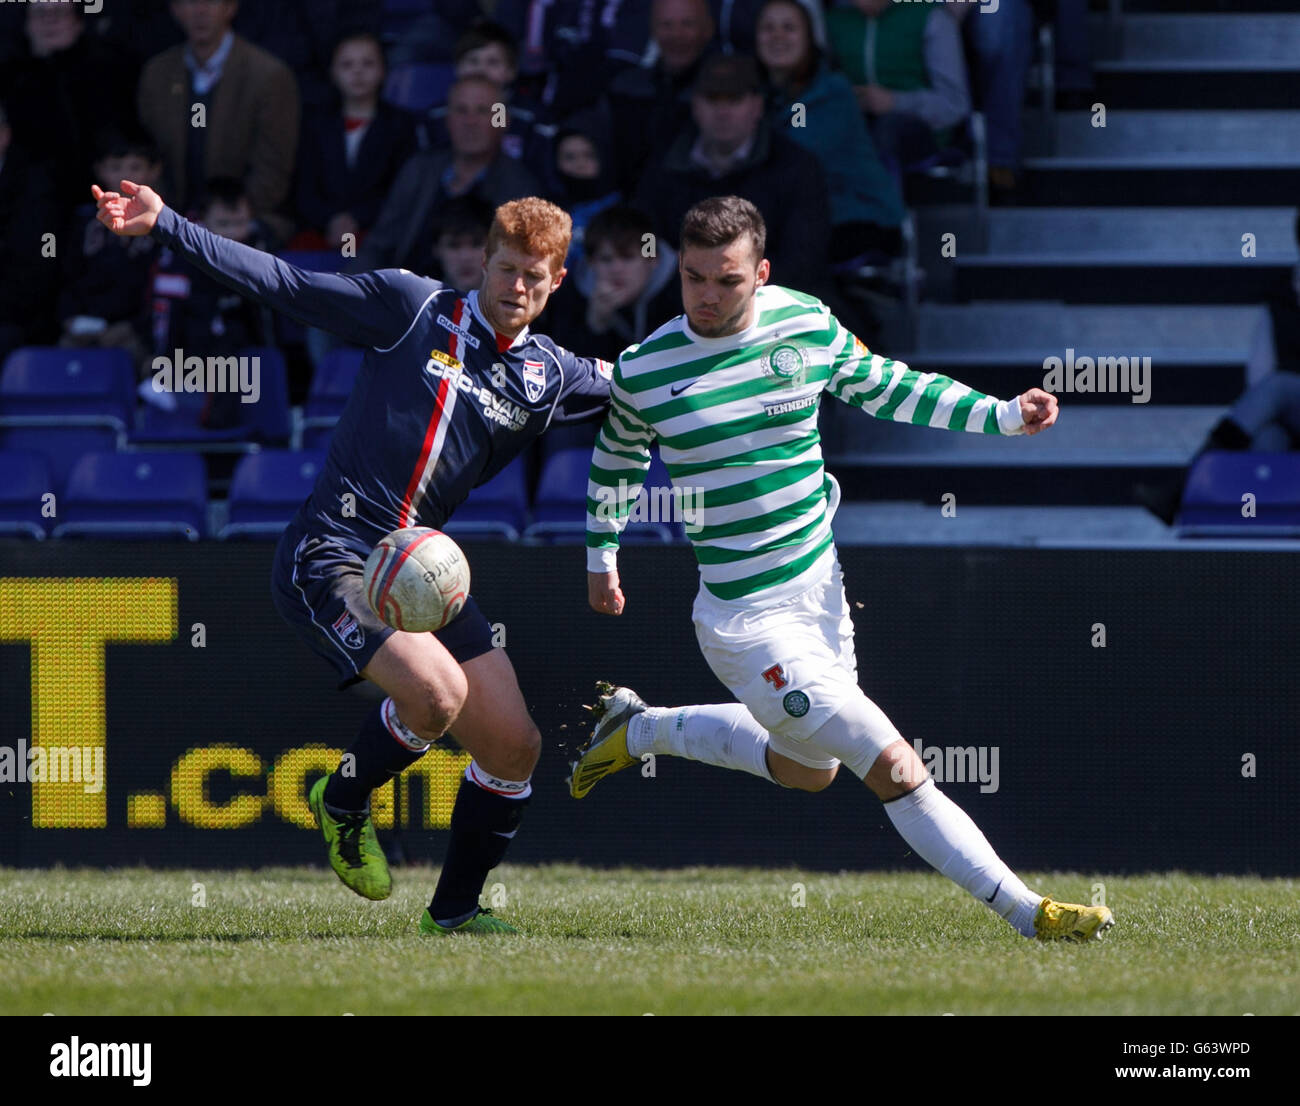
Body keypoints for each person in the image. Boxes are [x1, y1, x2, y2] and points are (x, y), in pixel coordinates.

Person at [571, 195, 1114, 943]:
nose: (704, 295)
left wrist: (1001, 415)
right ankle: (1030, 913)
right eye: (693, 277)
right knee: (891, 764)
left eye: (725, 280)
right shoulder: (646, 366)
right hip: (745, 622)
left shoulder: (805, 324)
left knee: (809, 771)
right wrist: (602, 552)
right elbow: (618, 458)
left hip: (820, 593)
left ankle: (642, 729)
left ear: (760, 274)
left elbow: (891, 386)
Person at [94, 178, 613, 935]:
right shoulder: (412, 308)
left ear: (557, 280)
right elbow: (279, 279)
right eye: (505, 268)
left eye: (535, 276)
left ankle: (456, 914)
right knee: (435, 697)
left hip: (420, 570)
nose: (517, 286)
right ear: (481, 263)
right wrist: (168, 222)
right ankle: (341, 799)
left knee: (514, 745)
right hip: (331, 552)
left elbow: (648, 391)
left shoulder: (550, 375)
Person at [634, 54, 832, 301]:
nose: (723, 111)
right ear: (695, 105)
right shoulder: (664, 164)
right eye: (712, 99)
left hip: (770, 312)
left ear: (757, 106)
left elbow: (804, 260)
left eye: (734, 99)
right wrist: (651, 259)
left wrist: (730, 288)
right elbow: (644, 233)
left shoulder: (797, 167)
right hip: (676, 305)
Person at [754, 0, 904, 260]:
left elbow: (797, 159)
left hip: (858, 217)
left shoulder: (835, 92)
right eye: (768, 28)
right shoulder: (754, 93)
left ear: (810, 39)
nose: (777, 35)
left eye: (789, 28)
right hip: (794, 218)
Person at [136, 0, 300, 236]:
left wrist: (228, 217)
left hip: (242, 228)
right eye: (190, 2)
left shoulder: (269, 76)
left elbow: (273, 169)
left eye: (210, 2)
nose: (200, 10)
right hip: (168, 224)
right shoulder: (157, 73)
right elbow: (149, 156)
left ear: (230, 8)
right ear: (175, 9)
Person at [355, 76, 541, 274]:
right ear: (448, 120)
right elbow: (379, 245)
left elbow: (518, 270)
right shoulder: (419, 169)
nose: (470, 121)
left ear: (504, 121)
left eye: (483, 111)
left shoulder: (521, 187)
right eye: (461, 111)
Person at [293, 31, 421, 251]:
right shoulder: (314, 124)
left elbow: (402, 188)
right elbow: (304, 188)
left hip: (379, 230)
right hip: (319, 229)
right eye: (347, 64)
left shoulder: (401, 125)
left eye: (368, 63)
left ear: (383, 70)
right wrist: (331, 220)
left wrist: (357, 219)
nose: (357, 71)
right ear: (332, 72)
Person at [825, 0, 970, 173]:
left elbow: (955, 104)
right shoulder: (835, 21)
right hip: (855, 124)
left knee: (888, 130)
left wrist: (896, 102)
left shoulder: (931, 18)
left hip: (921, 132)